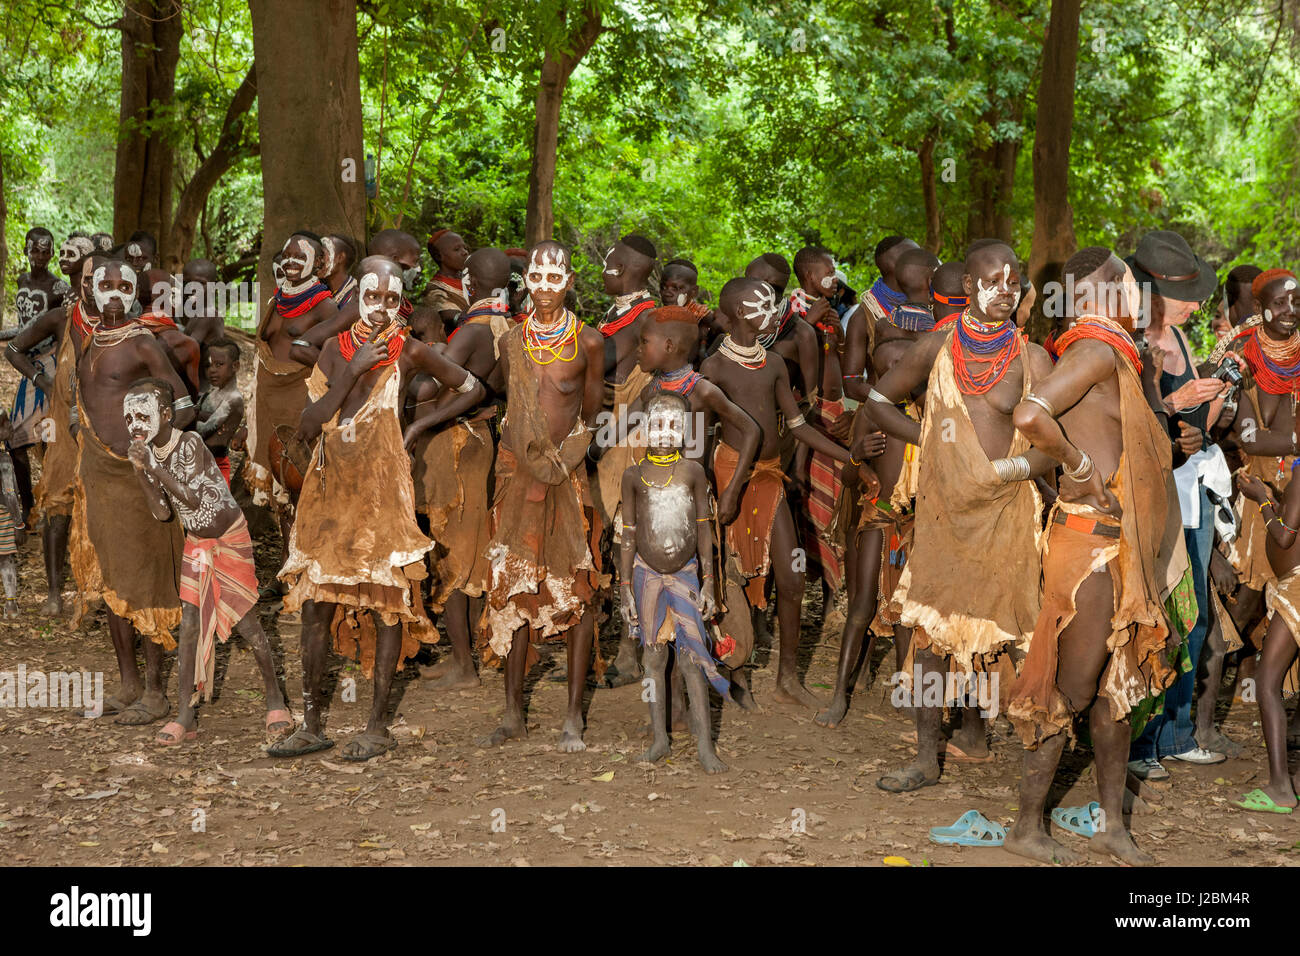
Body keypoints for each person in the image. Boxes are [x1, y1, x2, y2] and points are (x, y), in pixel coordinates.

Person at [1003, 247, 1185, 865]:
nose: (1137, 292)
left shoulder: (1117, 353)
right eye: (1126, 283)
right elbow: (1032, 414)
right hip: (1091, 545)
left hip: (1119, 542)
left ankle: (1112, 826)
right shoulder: (1096, 349)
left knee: (1116, 686)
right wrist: (1080, 468)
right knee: (1073, 689)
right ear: (1094, 295)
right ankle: (1026, 826)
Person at [271, 257, 484, 760]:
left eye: (393, 300)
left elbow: (472, 386)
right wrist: (351, 370)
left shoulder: (410, 351)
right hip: (329, 489)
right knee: (318, 604)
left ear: (402, 302)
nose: (382, 308)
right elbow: (309, 423)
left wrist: (415, 428)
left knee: (389, 603)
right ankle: (311, 724)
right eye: (372, 297)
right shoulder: (331, 351)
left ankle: (376, 726)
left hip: (384, 492)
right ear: (357, 298)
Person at [867, 241, 1054, 791]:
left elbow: (1052, 444)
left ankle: (1035, 762)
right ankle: (927, 758)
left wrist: (1008, 470)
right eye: (993, 281)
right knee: (930, 634)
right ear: (969, 287)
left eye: (1014, 282)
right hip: (946, 515)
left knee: (1021, 632)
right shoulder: (935, 347)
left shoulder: (1032, 358)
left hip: (1008, 512)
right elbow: (877, 401)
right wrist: (930, 441)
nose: (1005, 292)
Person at [702, 277, 875, 709]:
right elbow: (701, 435)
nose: (774, 314)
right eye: (765, 307)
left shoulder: (774, 363)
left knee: (792, 577)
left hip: (770, 477)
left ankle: (787, 677)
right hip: (729, 477)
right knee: (734, 574)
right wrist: (705, 488)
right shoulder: (714, 368)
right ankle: (735, 673)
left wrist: (850, 458)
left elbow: (797, 426)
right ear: (741, 313)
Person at [479, 241, 606, 752]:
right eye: (537, 276)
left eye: (556, 277)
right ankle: (513, 713)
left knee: (577, 587)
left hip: (567, 478)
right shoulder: (510, 340)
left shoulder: (590, 343)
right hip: (513, 477)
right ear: (525, 279)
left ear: (570, 281)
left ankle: (573, 714)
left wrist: (564, 461)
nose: (546, 286)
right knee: (513, 585)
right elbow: (499, 396)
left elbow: (592, 418)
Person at [123, 378, 292, 747]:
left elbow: (194, 499)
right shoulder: (150, 454)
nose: (135, 425)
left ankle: (276, 701)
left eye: (142, 415)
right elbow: (162, 512)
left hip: (228, 537)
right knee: (189, 625)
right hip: (197, 542)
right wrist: (140, 471)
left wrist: (152, 466)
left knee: (246, 622)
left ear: (165, 415)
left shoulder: (190, 443)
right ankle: (186, 714)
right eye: (129, 417)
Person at [72, 259, 194, 722]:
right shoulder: (88, 341)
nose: (115, 294)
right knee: (111, 580)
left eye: (125, 286)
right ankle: (127, 685)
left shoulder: (144, 342)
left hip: (136, 476)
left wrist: (152, 449)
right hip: (98, 477)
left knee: (146, 581)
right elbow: (80, 398)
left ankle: (157, 693)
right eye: (106, 285)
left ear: (136, 292)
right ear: (93, 292)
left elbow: (183, 406)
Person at [1126, 229, 1228, 778]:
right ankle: (1139, 743)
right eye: (1186, 292)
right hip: (1155, 495)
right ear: (1153, 291)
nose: (1197, 303)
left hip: (1193, 490)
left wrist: (1213, 394)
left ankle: (1178, 732)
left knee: (1196, 616)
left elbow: (1196, 430)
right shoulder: (1134, 341)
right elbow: (1129, 423)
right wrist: (1173, 399)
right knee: (1159, 612)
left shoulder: (1182, 341)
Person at [629, 307, 762, 702]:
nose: (639, 350)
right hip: (656, 510)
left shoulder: (701, 390)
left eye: (644, 342)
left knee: (708, 593)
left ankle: (725, 680)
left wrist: (733, 489)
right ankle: (678, 703)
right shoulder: (651, 390)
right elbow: (623, 427)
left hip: (693, 509)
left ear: (668, 346)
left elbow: (751, 429)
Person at [405, 247, 512, 690]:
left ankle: (464, 664)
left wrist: (421, 351)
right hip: (481, 438)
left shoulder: (471, 331)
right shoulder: (509, 326)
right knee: (469, 545)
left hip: (454, 441)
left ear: (468, 282)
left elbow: (429, 385)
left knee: (452, 549)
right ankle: (471, 654)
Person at [620, 390, 730, 772]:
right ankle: (659, 739)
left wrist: (710, 584)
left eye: (673, 424)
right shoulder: (633, 475)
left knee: (692, 659)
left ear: (685, 430)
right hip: (645, 575)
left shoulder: (693, 472)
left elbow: (703, 531)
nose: (665, 431)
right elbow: (629, 534)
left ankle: (705, 746)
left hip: (685, 575)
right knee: (653, 657)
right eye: (658, 423)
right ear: (645, 429)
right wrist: (623, 591)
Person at [7, 249, 99, 615]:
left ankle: (93, 590)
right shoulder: (61, 319)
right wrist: (43, 380)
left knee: (99, 510)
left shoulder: (120, 320)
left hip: (103, 434)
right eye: (87, 280)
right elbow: (15, 349)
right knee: (57, 509)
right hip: (63, 434)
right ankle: (54, 593)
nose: (93, 288)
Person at [245, 233, 338, 590]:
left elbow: (332, 360)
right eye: (286, 255)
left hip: (301, 400)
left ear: (318, 264)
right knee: (280, 492)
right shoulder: (276, 299)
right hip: (269, 402)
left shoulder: (326, 306)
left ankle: (310, 572)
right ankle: (289, 570)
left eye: (301, 256)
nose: (291, 262)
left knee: (303, 486)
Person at [595, 234, 659, 685]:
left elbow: (606, 364)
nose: (602, 269)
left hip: (625, 439)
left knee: (627, 539)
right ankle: (610, 648)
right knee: (606, 539)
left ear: (624, 271)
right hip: (606, 433)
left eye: (607, 264)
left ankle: (629, 653)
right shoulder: (619, 313)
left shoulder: (647, 317)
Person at [1235, 467, 1300, 812]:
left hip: (1298, 588)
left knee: (1266, 683)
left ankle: (1280, 787)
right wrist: (1274, 500)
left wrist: (1261, 502)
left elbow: (1286, 536)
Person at [194, 339, 245, 486]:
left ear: (235, 366)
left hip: (215, 467)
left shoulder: (234, 399)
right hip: (199, 463)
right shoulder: (211, 392)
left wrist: (188, 417)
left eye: (219, 365)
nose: (212, 370)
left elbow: (204, 429)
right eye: (208, 365)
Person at [0, 414, 25, 618]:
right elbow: (9, 493)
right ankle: (10, 605)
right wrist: (18, 524)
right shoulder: (4, 460)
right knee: (6, 559)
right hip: (2, 516)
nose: (10, 426)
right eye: (6, 423)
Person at [423, 228, 471, 330]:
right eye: (457, 249)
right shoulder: (435, 288)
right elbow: (451, 316)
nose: (465, 252)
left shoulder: (471, 278)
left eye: (465, 248)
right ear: (439, 256)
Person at [319, 234, 359, 307]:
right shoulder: (321, 290)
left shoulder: (355, 298)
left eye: (322, 255)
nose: (317, 260)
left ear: (340, 258)